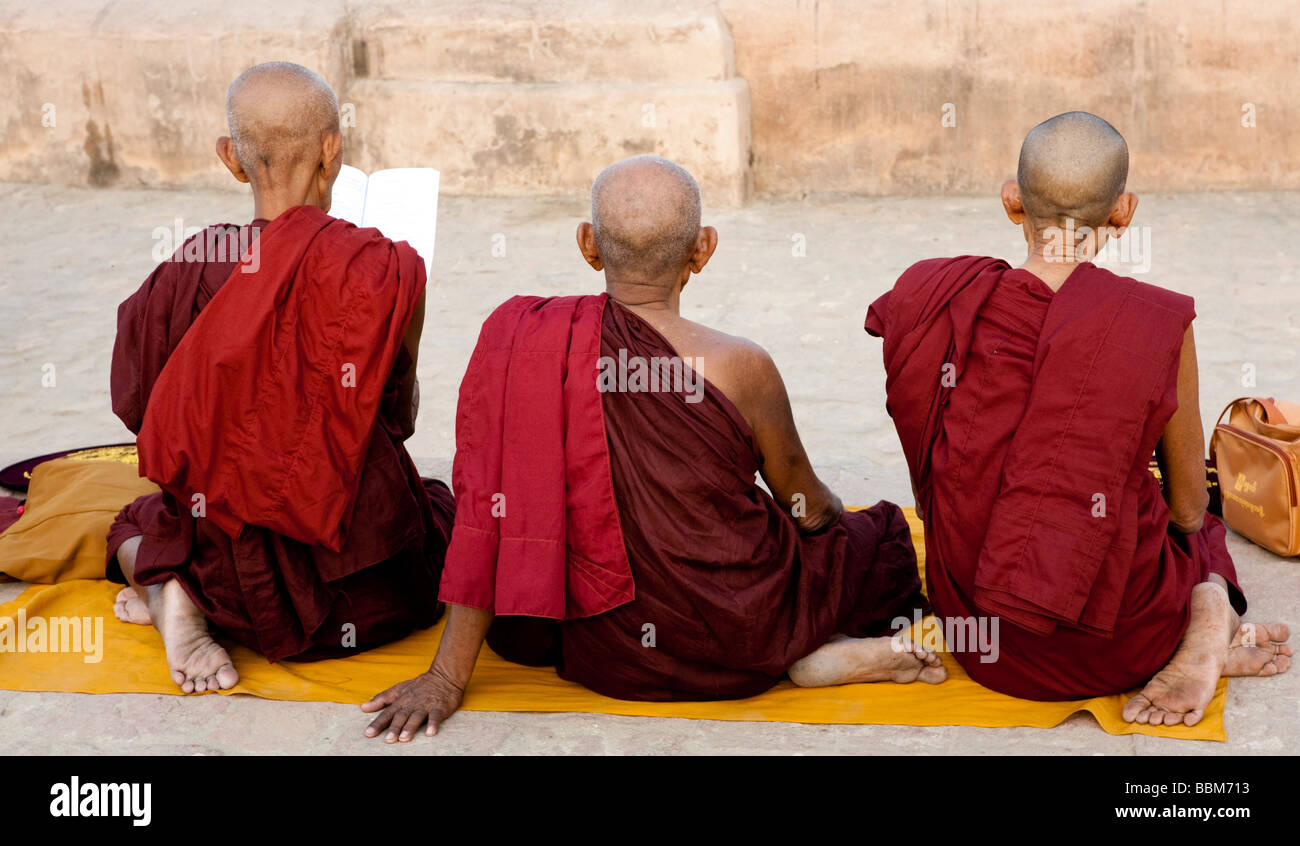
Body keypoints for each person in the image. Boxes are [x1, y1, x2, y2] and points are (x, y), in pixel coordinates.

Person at [361, 155, 939, 742]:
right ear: (703, 249)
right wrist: (837, 517)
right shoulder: (743, 365)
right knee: (882, 540)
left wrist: (445, 677)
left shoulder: (530, 343)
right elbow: (804, 506)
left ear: (588, 245)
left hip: (600, 642)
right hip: (740, 622)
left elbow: (491, 513)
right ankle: (804, 646)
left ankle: (806, 651)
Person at [864, 111, 1290, 726]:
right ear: (1124, 211)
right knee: (1205, 534)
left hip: (979, 637)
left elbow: (933, 477)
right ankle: (1209, 613)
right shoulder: (1151, 322)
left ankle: (1204, 618)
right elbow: (1188, 511)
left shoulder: (940, 296)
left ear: (1013, 202)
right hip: (1127, 643)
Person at [106, 62, 455, 693]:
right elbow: (398, 416)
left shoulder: (194, 266)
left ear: (231, 159)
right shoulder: (387, 269)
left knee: (135, 525)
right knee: (439, 508)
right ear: (333, 152)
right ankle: (174, 590)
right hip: (366, 594)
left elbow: (141, 406)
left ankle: (169, 589)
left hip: (226, 580)